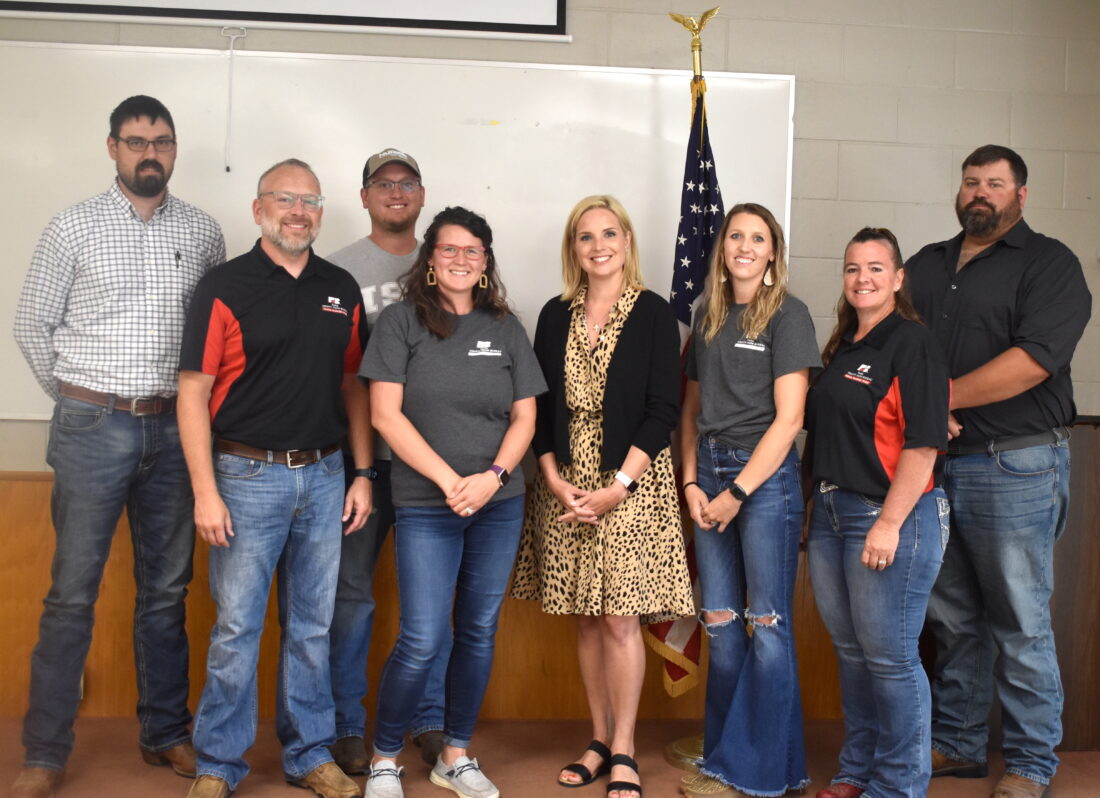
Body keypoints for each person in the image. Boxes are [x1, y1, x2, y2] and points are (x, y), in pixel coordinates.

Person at [12, 95, 225, 798]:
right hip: (91, 426)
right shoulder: (73, 226)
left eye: (161, 140)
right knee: (71, 596)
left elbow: (214, 343)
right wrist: (79, 399)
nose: (149, 153)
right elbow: (32, 326)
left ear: (174, 146)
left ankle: (165, 732)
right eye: (135, 141)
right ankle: (45, 753)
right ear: (112, 148)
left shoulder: (201, 231)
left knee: (166, 592)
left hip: (174, 431)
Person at [177, 159, 371, 798]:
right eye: (284, 199)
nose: (298, 211)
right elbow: (193, 391)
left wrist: (361, 472)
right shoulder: (224, 286)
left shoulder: (341, 287)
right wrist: (205, 490)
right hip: (243, 475)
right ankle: (217, 765)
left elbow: (352, 388)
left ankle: (309, 755)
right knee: (237, 627)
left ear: (321, 212)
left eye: (310, 200)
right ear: (258, 210)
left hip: (322, 476)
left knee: (312, 625)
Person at [906, 145, 1092, 798]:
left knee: (1019, 618)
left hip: (1015, 465)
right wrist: (921, 405)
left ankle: (1031, 763)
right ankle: (957, 745)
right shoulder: (926, 265)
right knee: (952, 618)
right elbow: (896, 343)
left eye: (994, 183)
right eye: (970, 182)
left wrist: (940, 398)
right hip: (934, 467)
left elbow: (1035, 360)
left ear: (1021, 195)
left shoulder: (1051, 265)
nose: (979, 192)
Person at [511, 195, 693, 798]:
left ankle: (624, 748)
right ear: (574, 249)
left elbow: (664, 408)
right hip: (563, 482)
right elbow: (536, 405)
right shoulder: (553, 314)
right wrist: (550, 473)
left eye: (608, 234)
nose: (598, 246)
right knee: (585, 618)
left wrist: (619, 484)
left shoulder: (653, 313)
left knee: (620, 619)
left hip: (632, 482)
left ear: (628, 240)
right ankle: (595, 737)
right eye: (585, 237)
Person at [361, 206, 545, 798]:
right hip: (425, 502)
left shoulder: (506, 327)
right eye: (449, 250)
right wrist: (449, 481)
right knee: (420, 637)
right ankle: (384, 759)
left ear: (485, 262)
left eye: (473, 251)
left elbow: (526, 415)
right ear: (430, 261)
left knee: (478, 630)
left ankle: (455, 754)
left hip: (498, 501)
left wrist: (491, 476)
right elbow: (384, 414)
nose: (461, 259)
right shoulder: (400, 322)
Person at [677, 203, 818, 798]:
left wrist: (737, 492)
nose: (744, 245)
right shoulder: (707, 312)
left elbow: (789, 421)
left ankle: (755, 775)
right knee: (720, 625)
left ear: (772, 252)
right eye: (735, 235)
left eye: (757, 238)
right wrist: (691, 482)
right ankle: (731, 757)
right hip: (706, 473)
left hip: (762, 484)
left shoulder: (789, 314)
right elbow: (690, 409)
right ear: (723, 247)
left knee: (767, 624)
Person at [804, 227, 950, 798]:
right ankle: (856, 770)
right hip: (836, 512)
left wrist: (888, 523)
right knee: (853, 654)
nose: (862, 279)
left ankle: (898, 784)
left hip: (890, 515)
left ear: (897, 277)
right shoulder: (847, 344)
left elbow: (922, 443)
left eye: (874, 268)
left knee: (890, 658)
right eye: (852, 269)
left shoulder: (911, 342)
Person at [325, 148, 449, 774]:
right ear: (365, 196)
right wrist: (365, 470)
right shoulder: (338, 269)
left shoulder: (449, 261)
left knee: (430, 601)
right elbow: (341, 373)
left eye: (407, 183)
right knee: (351, 595)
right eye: (383, 183)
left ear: (422, 195)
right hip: (360, 464)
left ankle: (429, 719)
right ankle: (346, 724)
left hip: (435, 466)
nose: (395, 192)